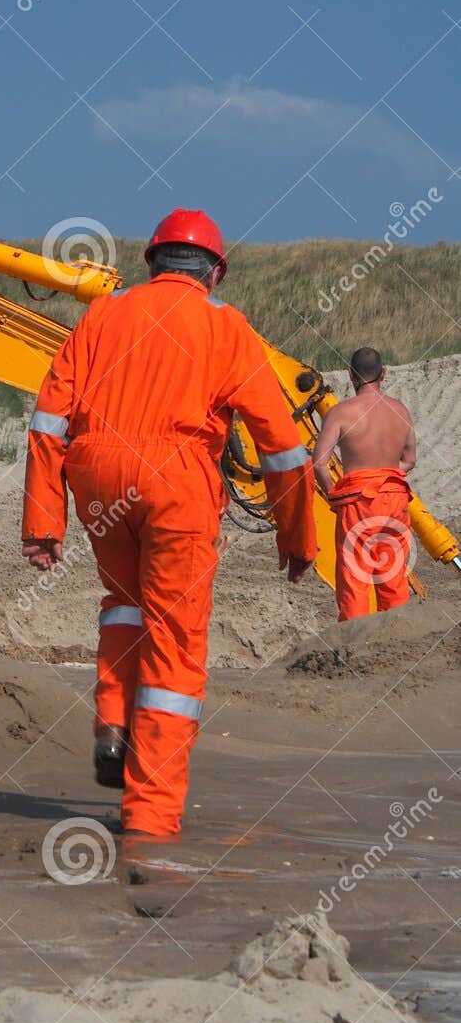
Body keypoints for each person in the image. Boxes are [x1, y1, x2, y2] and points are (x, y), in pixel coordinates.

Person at [22, 209, 317, 839]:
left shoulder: (104, 313)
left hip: (97, 474)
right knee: (175, 643)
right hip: (178, 482)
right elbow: (281, 444)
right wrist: (296, 537)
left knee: (124, 604)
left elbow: (49, 417)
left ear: (153, 261)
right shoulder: (224, 325)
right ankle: (150, 815)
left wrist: (44, 523)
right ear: (213, 272)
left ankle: (113, 722)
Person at [311, 347, 416, 622]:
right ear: (384, 373)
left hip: (357, 503)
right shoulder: (400, 410)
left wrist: (333, 493)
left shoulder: (340, 413)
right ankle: (396, 639)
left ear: (350, 375)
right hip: (394, 498)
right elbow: (409, 461)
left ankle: (355, 646)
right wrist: (386, 475)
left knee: (355, 577)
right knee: (393, 574)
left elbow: (320, 463)